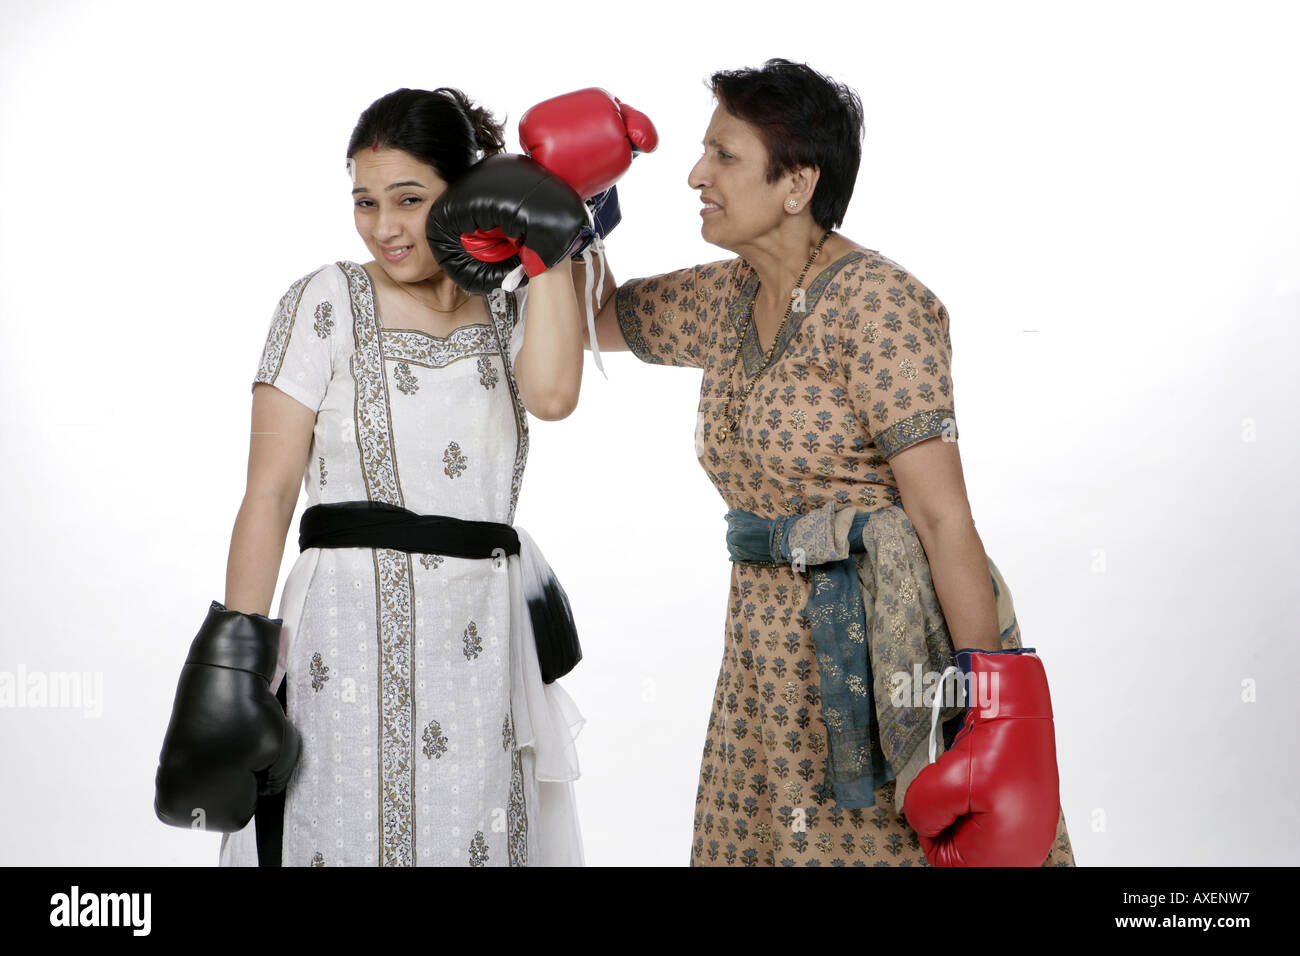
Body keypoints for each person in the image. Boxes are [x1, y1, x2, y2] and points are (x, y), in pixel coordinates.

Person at [582, 59, 1078, 866]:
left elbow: (941, 515)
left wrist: (994, 711)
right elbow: (592, 318)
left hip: (885, 648)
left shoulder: (880, 304)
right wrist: (577, 215)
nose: (696, 174)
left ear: (797, 183)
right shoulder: (724, 296)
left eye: (724, 155)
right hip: (764, 651)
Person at [185, 86, 591, 866]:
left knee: (476, 834)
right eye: (365, 202)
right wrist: (233, 666)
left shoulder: (508, 304)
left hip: (482, 630)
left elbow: (553, 397)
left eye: (409, 199)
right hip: (346, 633)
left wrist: (550, 247)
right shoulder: (324, 300)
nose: (384, 227)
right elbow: (269, 492)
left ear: (463, 196)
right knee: (343, 829)